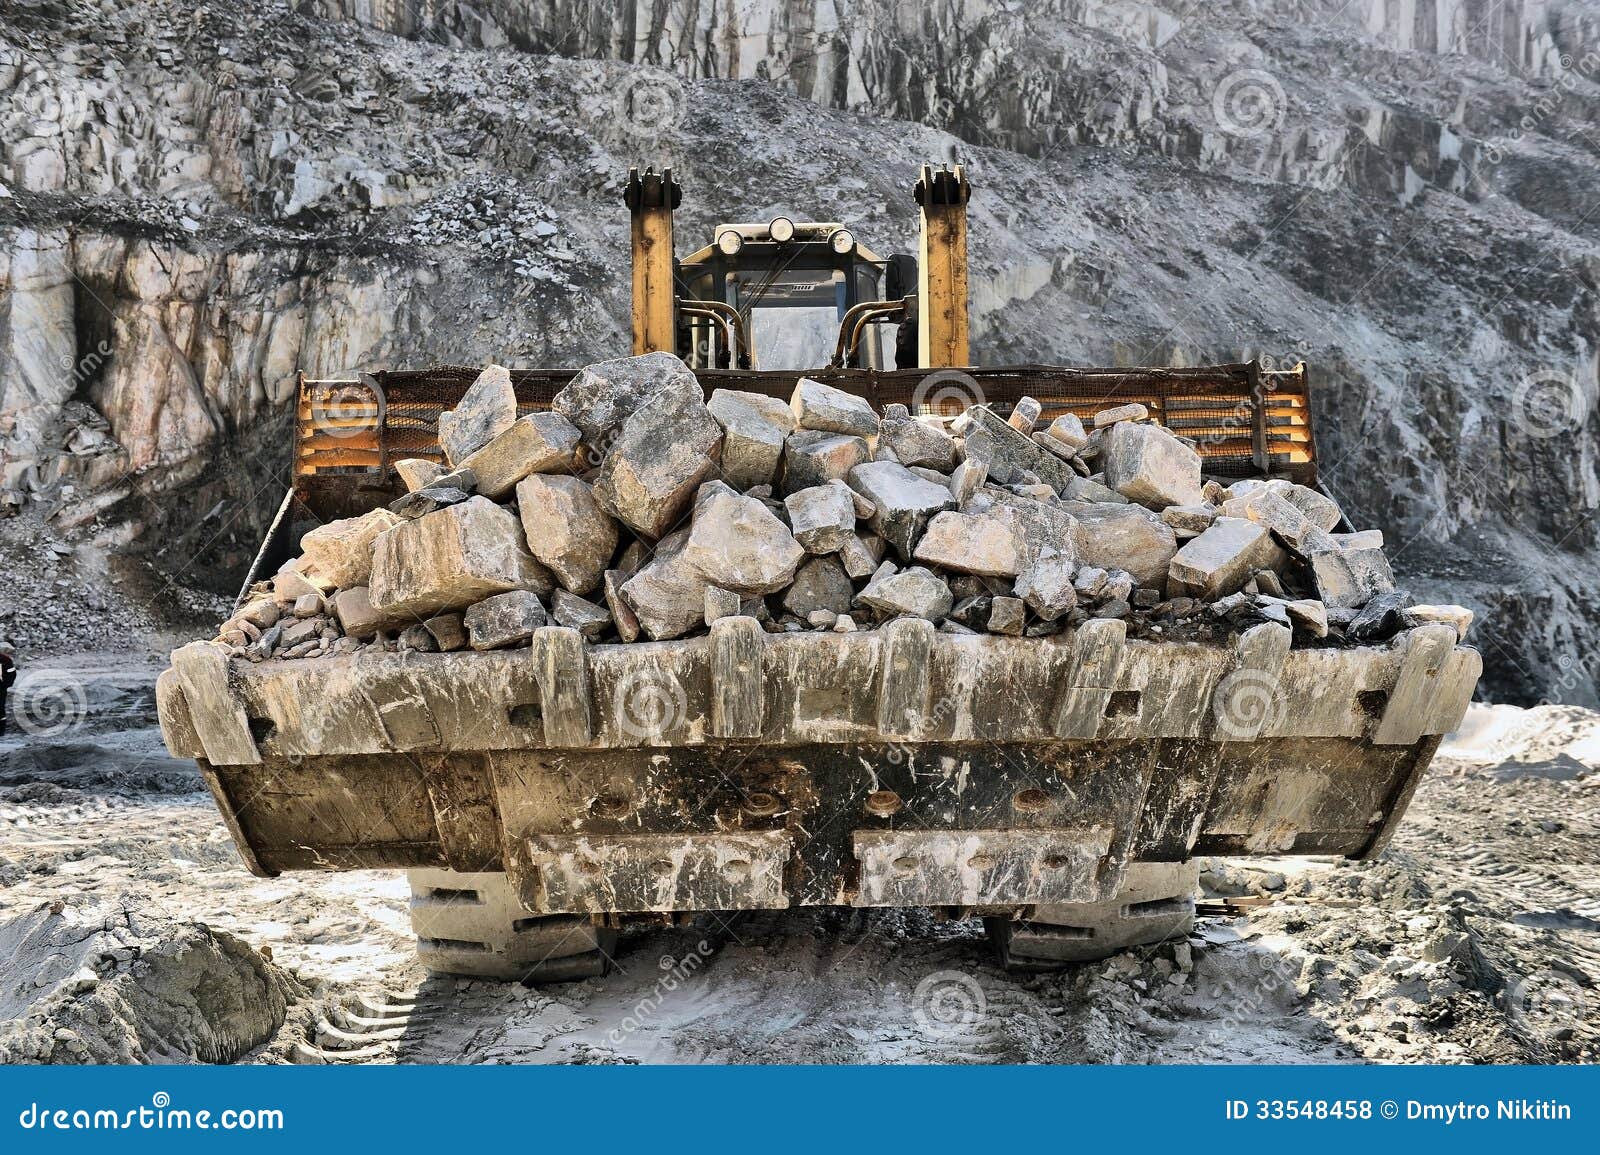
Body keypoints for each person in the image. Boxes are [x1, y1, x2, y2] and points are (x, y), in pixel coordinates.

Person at [0, 641, 15, 737]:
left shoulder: (5, 659)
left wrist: (5, 685)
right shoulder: (5, 659)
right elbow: (12, 674)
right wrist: (6, 685)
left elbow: (12, 673)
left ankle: (1, 731)